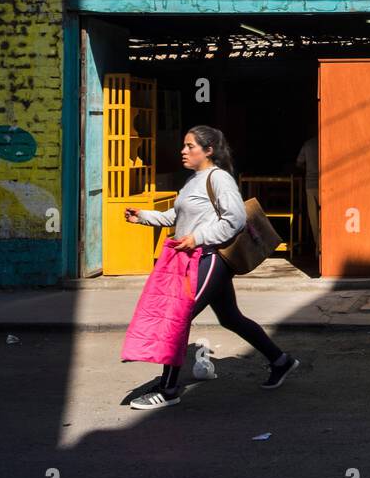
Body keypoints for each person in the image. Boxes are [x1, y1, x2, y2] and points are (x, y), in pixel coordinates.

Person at [124, 125, 300, 410]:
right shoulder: (194, 180)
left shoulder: (219, 179)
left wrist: (198, 237)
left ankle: (168, 390)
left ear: (208, 151)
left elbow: (235, 219)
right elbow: (178, 215)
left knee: (177, 317)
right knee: (230, 317)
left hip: (210, 258)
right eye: (184, 145)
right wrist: (143, 216)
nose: (183, 151)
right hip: (196, 259)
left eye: (190, 146)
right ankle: (281, 361)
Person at [295, 135, 320, 263]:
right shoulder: (326, 141)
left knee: (314, 218)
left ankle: (318, 247)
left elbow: (299, 163)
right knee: (325, 218)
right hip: (325, 184)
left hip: (310, 184)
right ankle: (322, 247)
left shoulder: (307, 144)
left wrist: (308, 169)